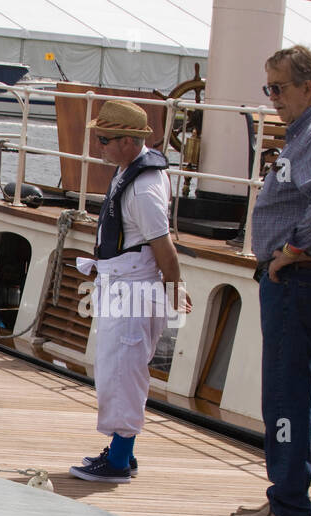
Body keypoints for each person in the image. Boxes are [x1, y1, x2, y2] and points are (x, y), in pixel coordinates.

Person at [231, 45, 311, 516]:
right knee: (289, 390)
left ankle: (288, 507)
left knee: (285, 392)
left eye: (279, 88)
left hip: (298, 279)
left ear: (308, 88)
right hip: (304, 275)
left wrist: (291, 249)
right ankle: (288, 501)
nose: (272, 98)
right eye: (267, 88)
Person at [68, 99, 191, 483]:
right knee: (119, 369)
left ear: (128, 141)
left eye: (104, 139)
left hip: (134, 290)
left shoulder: (143, 191)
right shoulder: (132, 169)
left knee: (122, 373)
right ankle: (124, 451)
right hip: (122, 283)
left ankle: (119, 461)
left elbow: (163, 245)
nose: (98, 147)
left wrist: (175, 289)